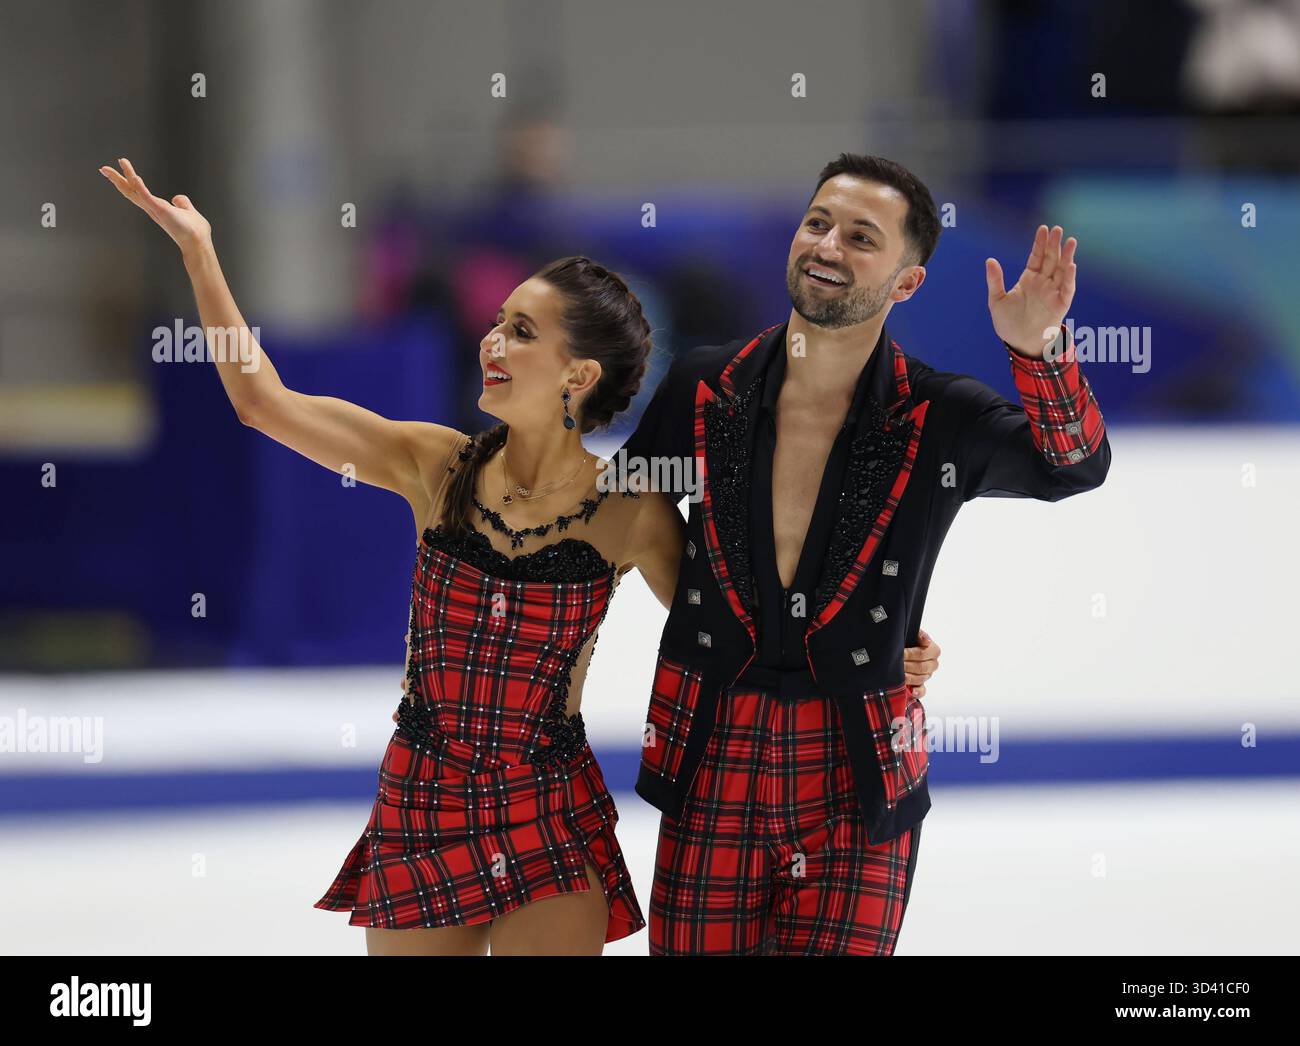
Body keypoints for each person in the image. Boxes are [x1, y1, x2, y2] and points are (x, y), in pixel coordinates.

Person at [97, 153, 949, 955]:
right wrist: (202, 255)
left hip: (549, 810)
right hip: (421, 798)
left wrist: (886, 649)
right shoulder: (432, 464)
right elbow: (261, 400)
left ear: (577, 374)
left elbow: (744, 629)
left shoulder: (631, 511)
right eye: (498, 324)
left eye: (519, 331)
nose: (490, 344)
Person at [612, 152, 1111, 956]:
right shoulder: (706, 388)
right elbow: (625, 514)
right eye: (817, 223)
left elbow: (1074, 466)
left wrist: (1039, 350)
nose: (828, 246)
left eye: (861, 237)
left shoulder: (939, 415)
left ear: (906, 283)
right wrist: (710, 611)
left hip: (860, 768)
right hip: (714, 752)